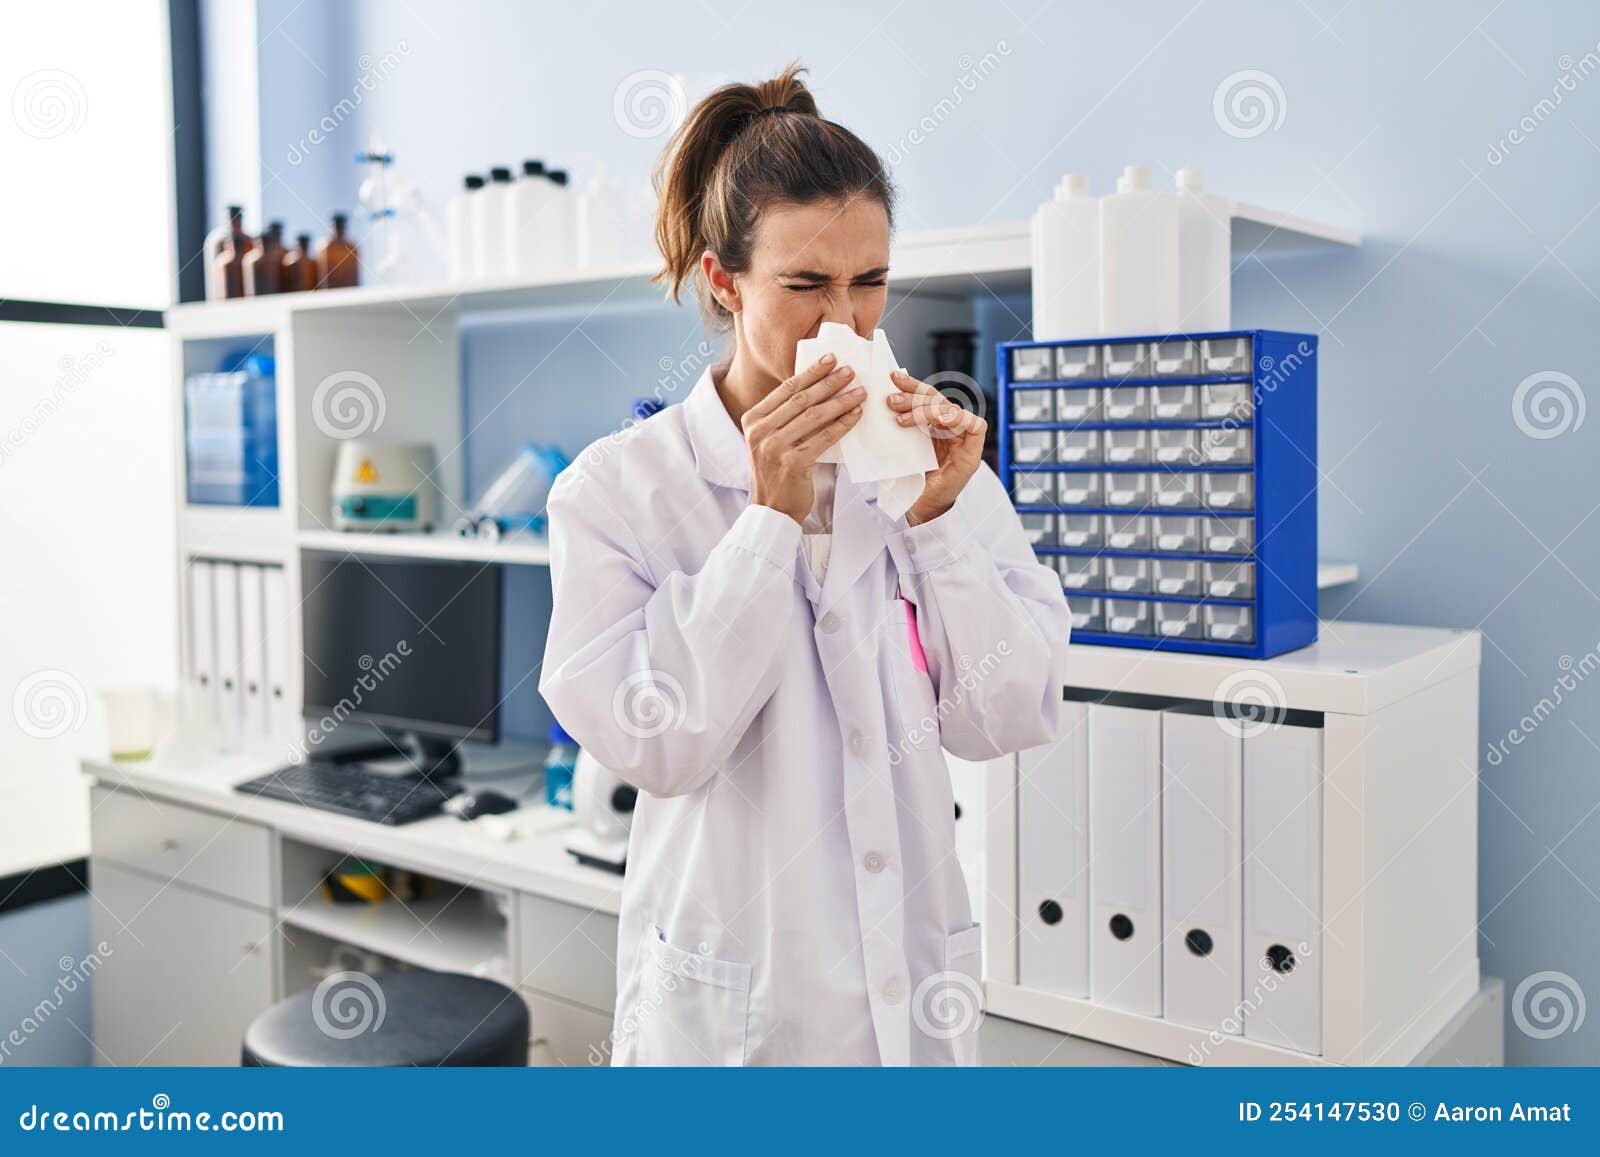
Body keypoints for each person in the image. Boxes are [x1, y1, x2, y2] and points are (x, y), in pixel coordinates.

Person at [539, 64, 1072, 1066]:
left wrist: (939, 521)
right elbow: (662, 744)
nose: (848, 319)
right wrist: (768, 520)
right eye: (806, 284)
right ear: (722, 279)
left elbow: (1005, 713)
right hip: (736, 1015)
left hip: (908, 997)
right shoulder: (620, 490)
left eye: (869, 281)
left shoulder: (930, 466)